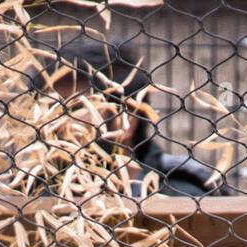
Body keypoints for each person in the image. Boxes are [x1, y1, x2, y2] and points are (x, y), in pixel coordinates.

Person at [28, 33, 227, 197]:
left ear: (126, 119)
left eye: (74, 109)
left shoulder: (183, 195)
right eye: (47, 108)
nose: (52, 123)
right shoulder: (27, 195)